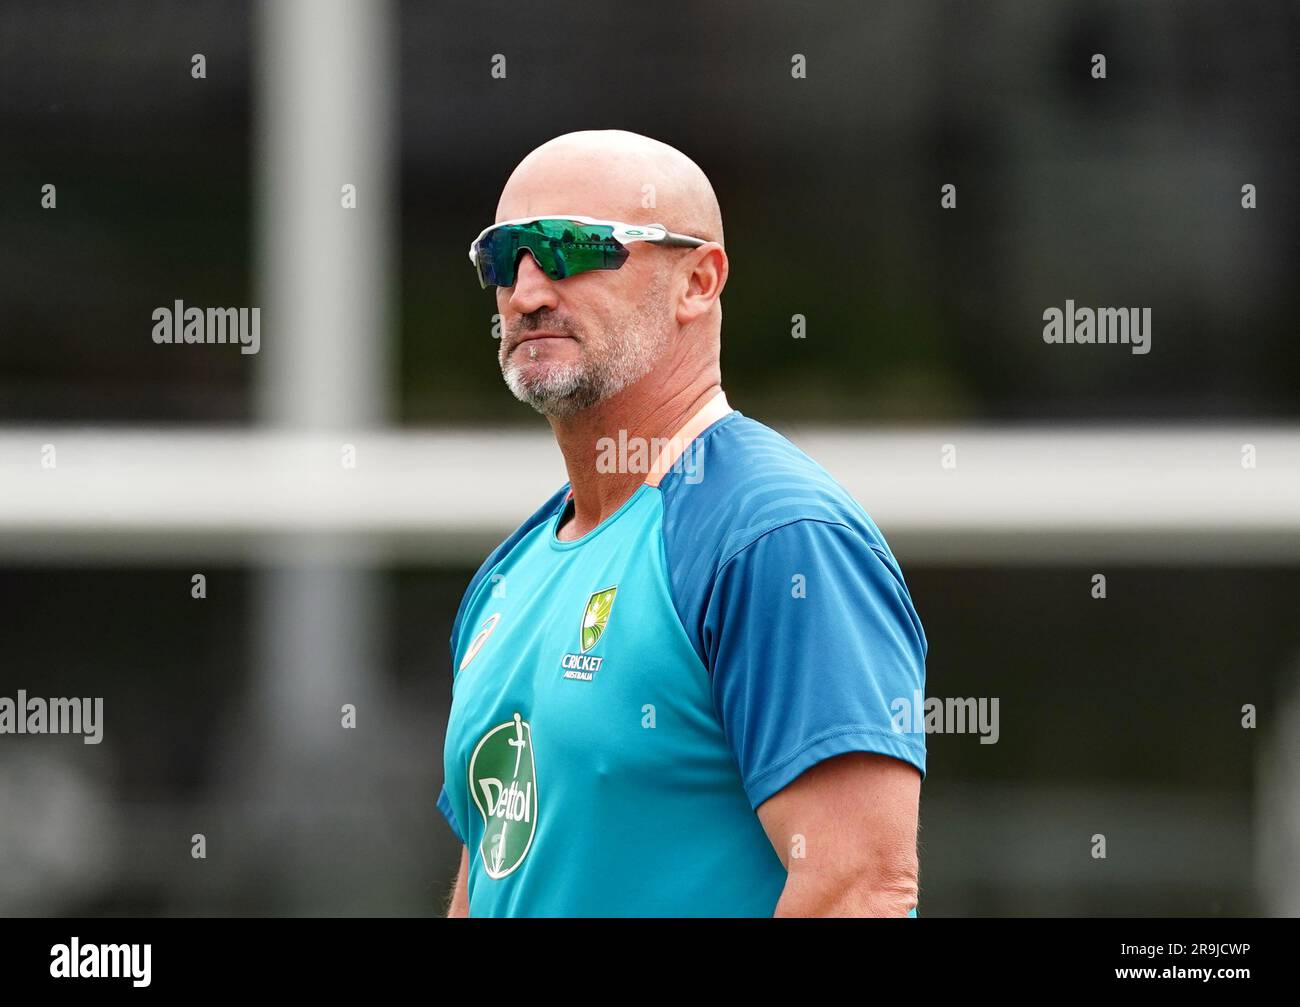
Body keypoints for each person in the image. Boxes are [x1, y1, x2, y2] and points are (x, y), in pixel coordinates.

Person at [438, 129, 927, 917]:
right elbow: (494, 874)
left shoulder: (776, 538)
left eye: (569, 248)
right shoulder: (510, 572)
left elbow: (859, 888)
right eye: (503, 259)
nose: (526, 293)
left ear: (697, 281)